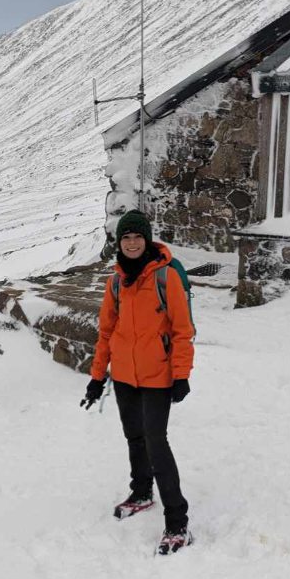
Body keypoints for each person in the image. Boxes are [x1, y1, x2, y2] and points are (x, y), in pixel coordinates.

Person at [82, 210, 195, 555]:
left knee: (156, 443)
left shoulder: (164, 277)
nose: (132, 243)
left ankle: (177, 521)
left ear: (146, 240)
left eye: (137, 237)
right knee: (134, 436)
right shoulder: (116, 282)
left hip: (157, 375)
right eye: (126, 238)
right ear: (120, 243)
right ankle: (143, 491)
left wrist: (181, 375)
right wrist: (97, 377)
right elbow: (106, 332)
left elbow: (182, 331)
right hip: (125, 377)